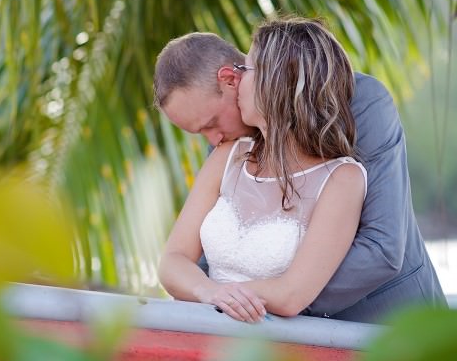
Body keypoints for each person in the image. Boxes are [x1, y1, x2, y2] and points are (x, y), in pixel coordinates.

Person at [154, 17, 446, 323]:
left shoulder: (362, 106)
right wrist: (208, 296)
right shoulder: (228, 149)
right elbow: (199, 259)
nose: (212, 140)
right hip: (265, 342)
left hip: (390, 321)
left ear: (231, 80)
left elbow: (381, 247)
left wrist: (263, 304)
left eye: (211, 124)